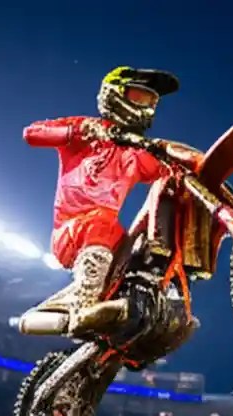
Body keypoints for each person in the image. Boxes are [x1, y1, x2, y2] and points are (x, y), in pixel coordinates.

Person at [18, 66, 181, 334]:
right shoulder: (84, 131)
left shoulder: (135, 153)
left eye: (152, 101)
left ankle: (147, 304)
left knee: (147, 240)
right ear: (116, 95)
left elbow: (169, 174)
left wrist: (184, 165)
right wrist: (79, 131)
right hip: (71, 232)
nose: (147, 106)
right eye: (140, 97)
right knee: (102, 221)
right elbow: (32, 133)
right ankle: (83, 299)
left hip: (109, 239)